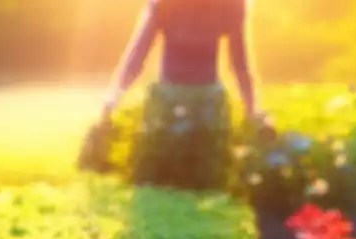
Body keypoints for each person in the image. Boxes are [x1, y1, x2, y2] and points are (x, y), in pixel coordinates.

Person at [101, 0, 263, 189]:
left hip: (204, 101)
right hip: (172, 100)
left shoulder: (230, 5)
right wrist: (114, 98)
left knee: (203, 163)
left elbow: (240, 64)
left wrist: (253, 111)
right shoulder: (164, 5)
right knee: (165, 159)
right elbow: (137, 54)